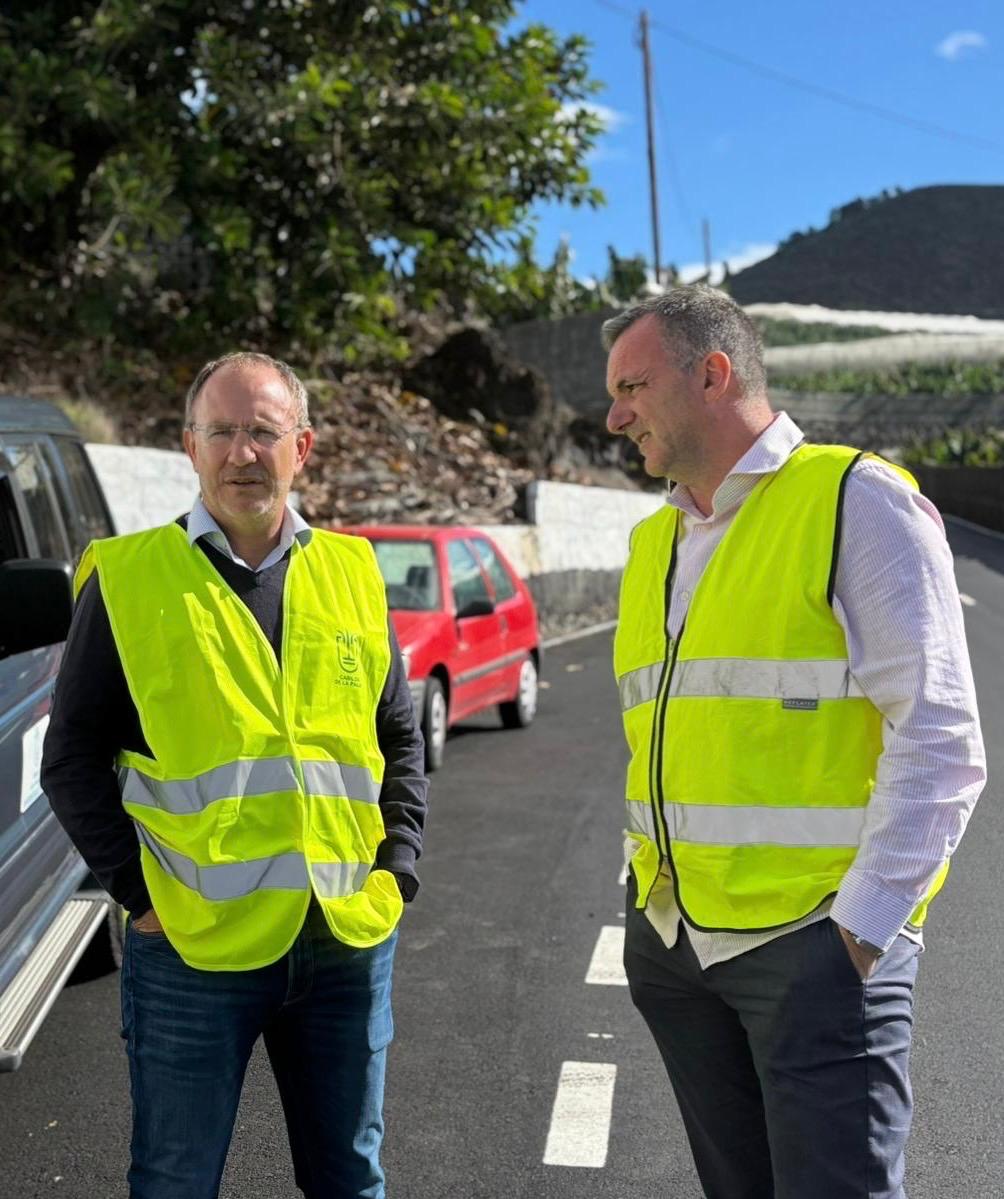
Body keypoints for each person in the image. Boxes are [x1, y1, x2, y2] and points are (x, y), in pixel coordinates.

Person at [602, 286, 985, 1199]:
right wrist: (649, 922)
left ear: (712, 374)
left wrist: (859, 933)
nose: (614, 418)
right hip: (677, 945)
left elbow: (939, 734)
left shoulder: (856, 499)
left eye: (632, 388)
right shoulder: (654, 541)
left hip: (812, 948)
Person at [41, 351, 428, 1199]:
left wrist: (397, 867)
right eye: (221, 432)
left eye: (263, 431)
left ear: (303, 447)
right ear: (190, 445)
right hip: (193, 943)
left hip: (345, 937)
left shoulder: (354, 571)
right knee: (175, 1181)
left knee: (350, 1179)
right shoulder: (129, 577)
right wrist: (140, 896)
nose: (242, 453)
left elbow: (398, 735)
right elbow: (69, 759)